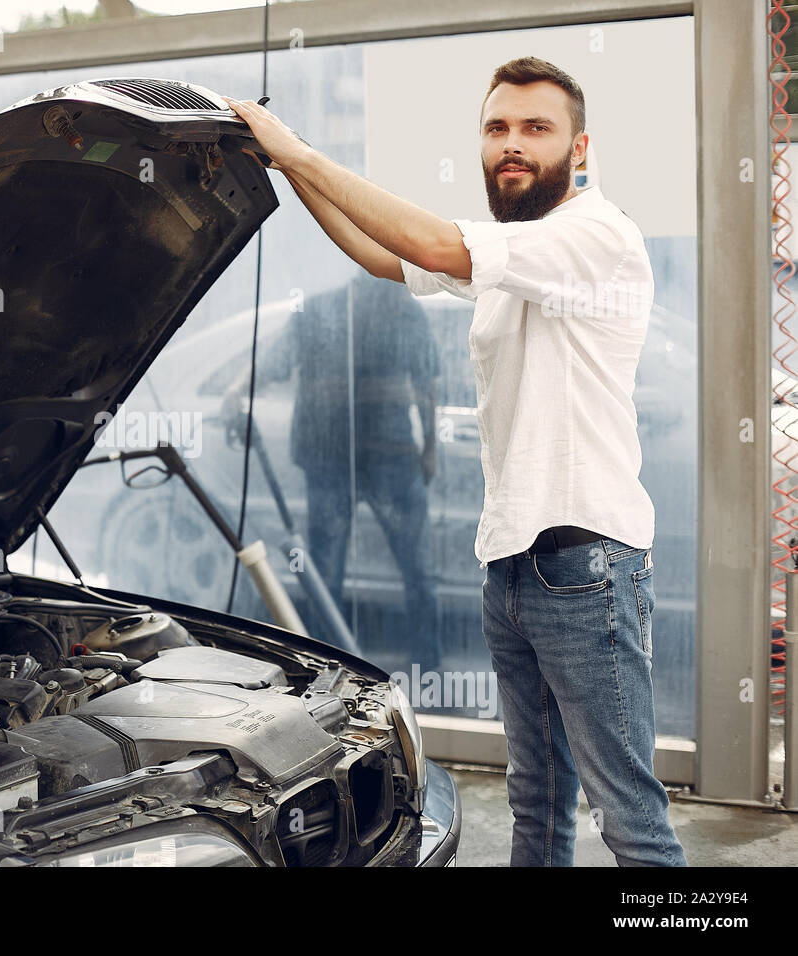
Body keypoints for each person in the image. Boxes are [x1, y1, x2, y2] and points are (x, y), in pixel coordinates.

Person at [225, 56, 686, 866]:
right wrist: (283, 164)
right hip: (514, 569)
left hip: (588, 570)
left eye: (537, 129)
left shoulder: (594, 234)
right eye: (498, 127)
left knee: (631, 821)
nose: (513, 144)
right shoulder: (518, 251)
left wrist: (296, 150)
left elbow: (435, 243)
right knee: (537, 805)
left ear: (581, 149)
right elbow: (381, 254)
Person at [229, 273, 443, 668]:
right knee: (389, 571)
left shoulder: (387, 310)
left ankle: (335, 666)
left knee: (399, 571)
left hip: (372, 455)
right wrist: (429, 447)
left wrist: (430, 446)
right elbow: (426, 384)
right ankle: (344, 666)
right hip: (363, 456)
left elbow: (425, 383)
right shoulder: (372, 310)